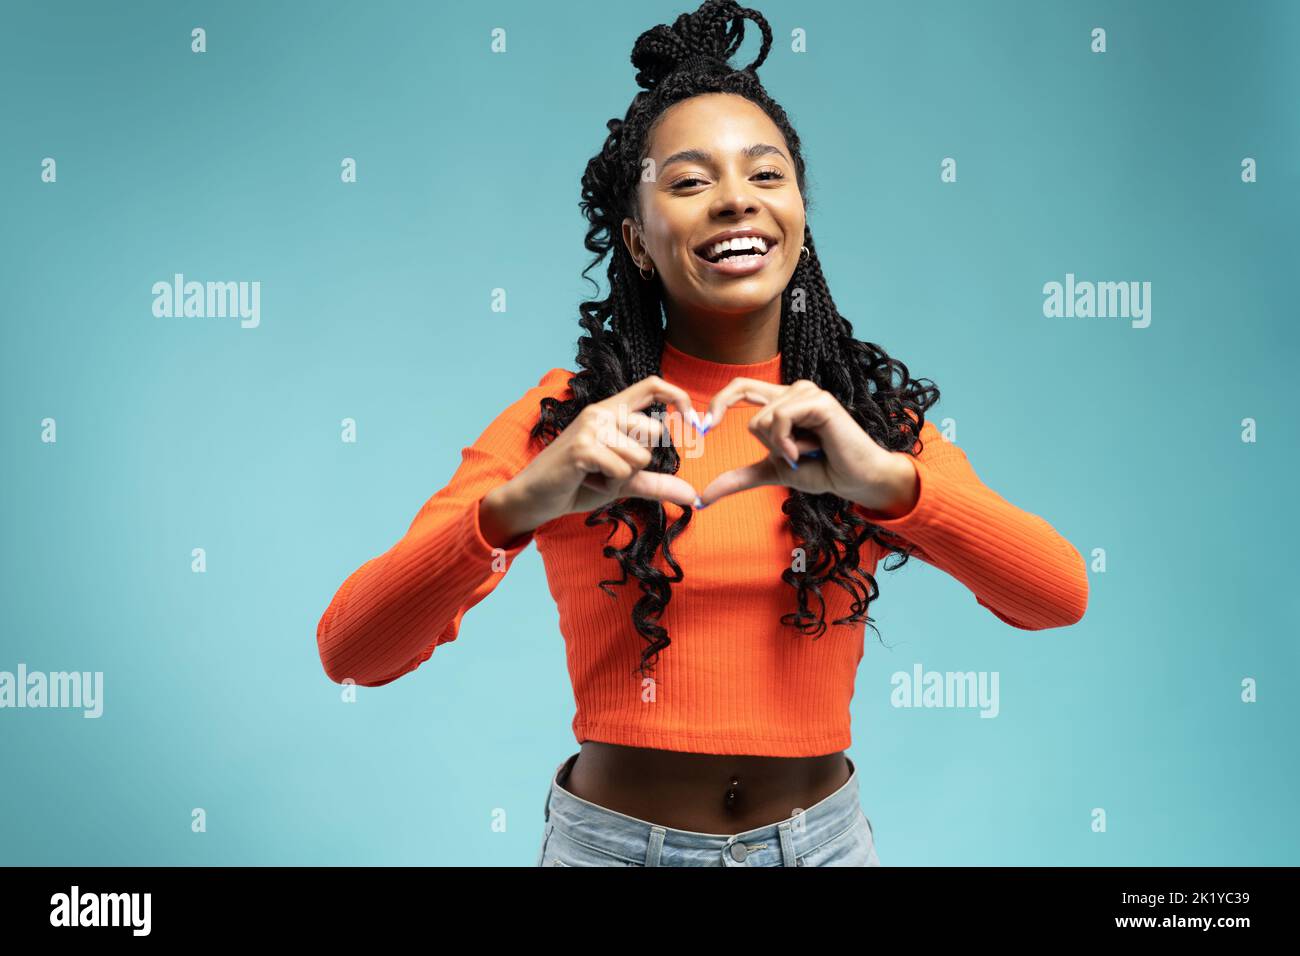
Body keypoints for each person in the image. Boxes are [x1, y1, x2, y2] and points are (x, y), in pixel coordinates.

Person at [315, 0, 1089, 867]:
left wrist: (890, 486)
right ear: (637, 241)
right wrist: (519, 506)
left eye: (766, 176)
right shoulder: (572, 423)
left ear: (799, 214)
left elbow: (1058, 596)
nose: (734, 203)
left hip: (825, 847)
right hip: (614, 851)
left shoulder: (858, 426)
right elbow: (352, 650)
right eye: (688, 183)